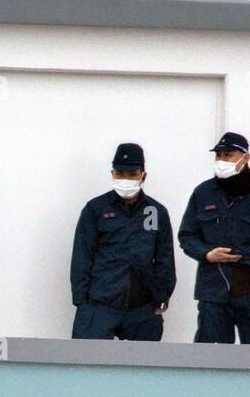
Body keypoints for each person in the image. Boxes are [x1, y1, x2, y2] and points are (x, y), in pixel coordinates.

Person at [177, 131, 250, 344]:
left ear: (245, 158)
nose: (222, 161)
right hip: (213, 289)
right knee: (210, 357)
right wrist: (207, 254)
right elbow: (187, 235)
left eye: (228, 155)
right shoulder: (202, 193)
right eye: (218, 156)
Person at [70, 143, 176, 340]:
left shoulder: (155, 211)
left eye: (132, 174)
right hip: (99, 305)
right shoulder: (95, 209)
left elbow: (165, 259)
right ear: (112, 174)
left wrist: (162, 299)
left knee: (144, 368)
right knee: (88, 364)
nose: (125, 179)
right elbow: (82, 257)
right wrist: (82, 303)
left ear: (143, 176)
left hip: (143, 309)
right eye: (120, 174)